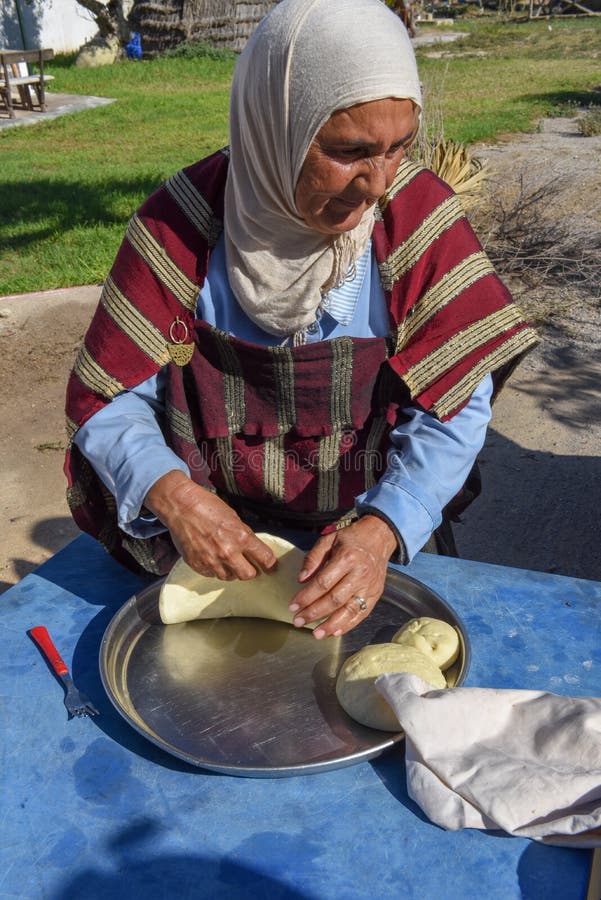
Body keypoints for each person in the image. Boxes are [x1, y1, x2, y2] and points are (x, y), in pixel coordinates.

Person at [65, 0, 537, 641]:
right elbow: (108, 398)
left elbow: (456, 402)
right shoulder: (178, 229)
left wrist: (384, 527)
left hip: (369, 539)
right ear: (275, 124)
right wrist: (173, 496)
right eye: (350, 151)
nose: (376, 183)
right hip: (218, 554)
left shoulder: (417, 219)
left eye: (400, 147)